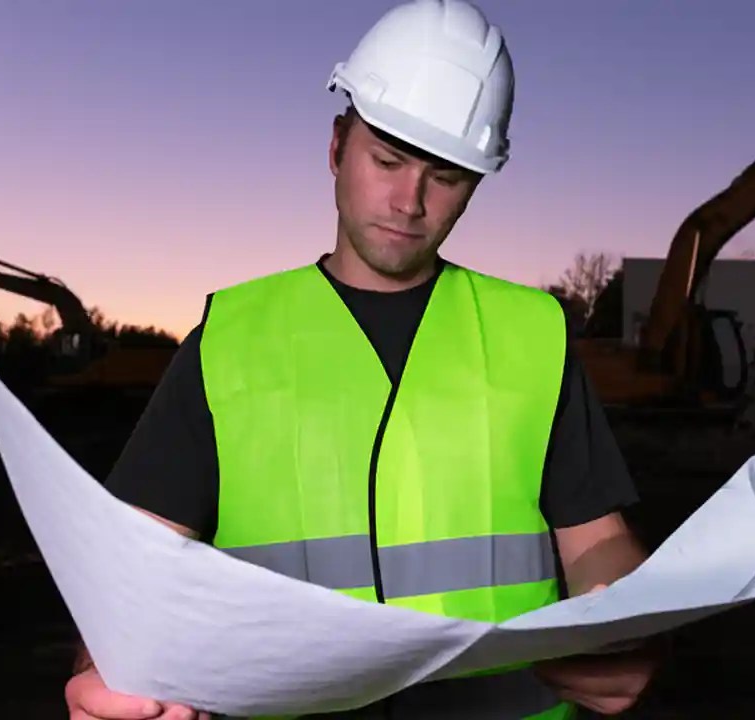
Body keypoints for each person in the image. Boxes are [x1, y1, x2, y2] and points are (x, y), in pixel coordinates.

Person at [65, 1, 664, 718]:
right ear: (335, 148)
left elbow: (599, 540)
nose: (409, 201)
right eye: (387, 159)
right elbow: (133, 571)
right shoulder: (232, 339)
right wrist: (104, 668)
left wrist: (626, 623)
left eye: (446, 176)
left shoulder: (532, 333)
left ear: (477, 184)